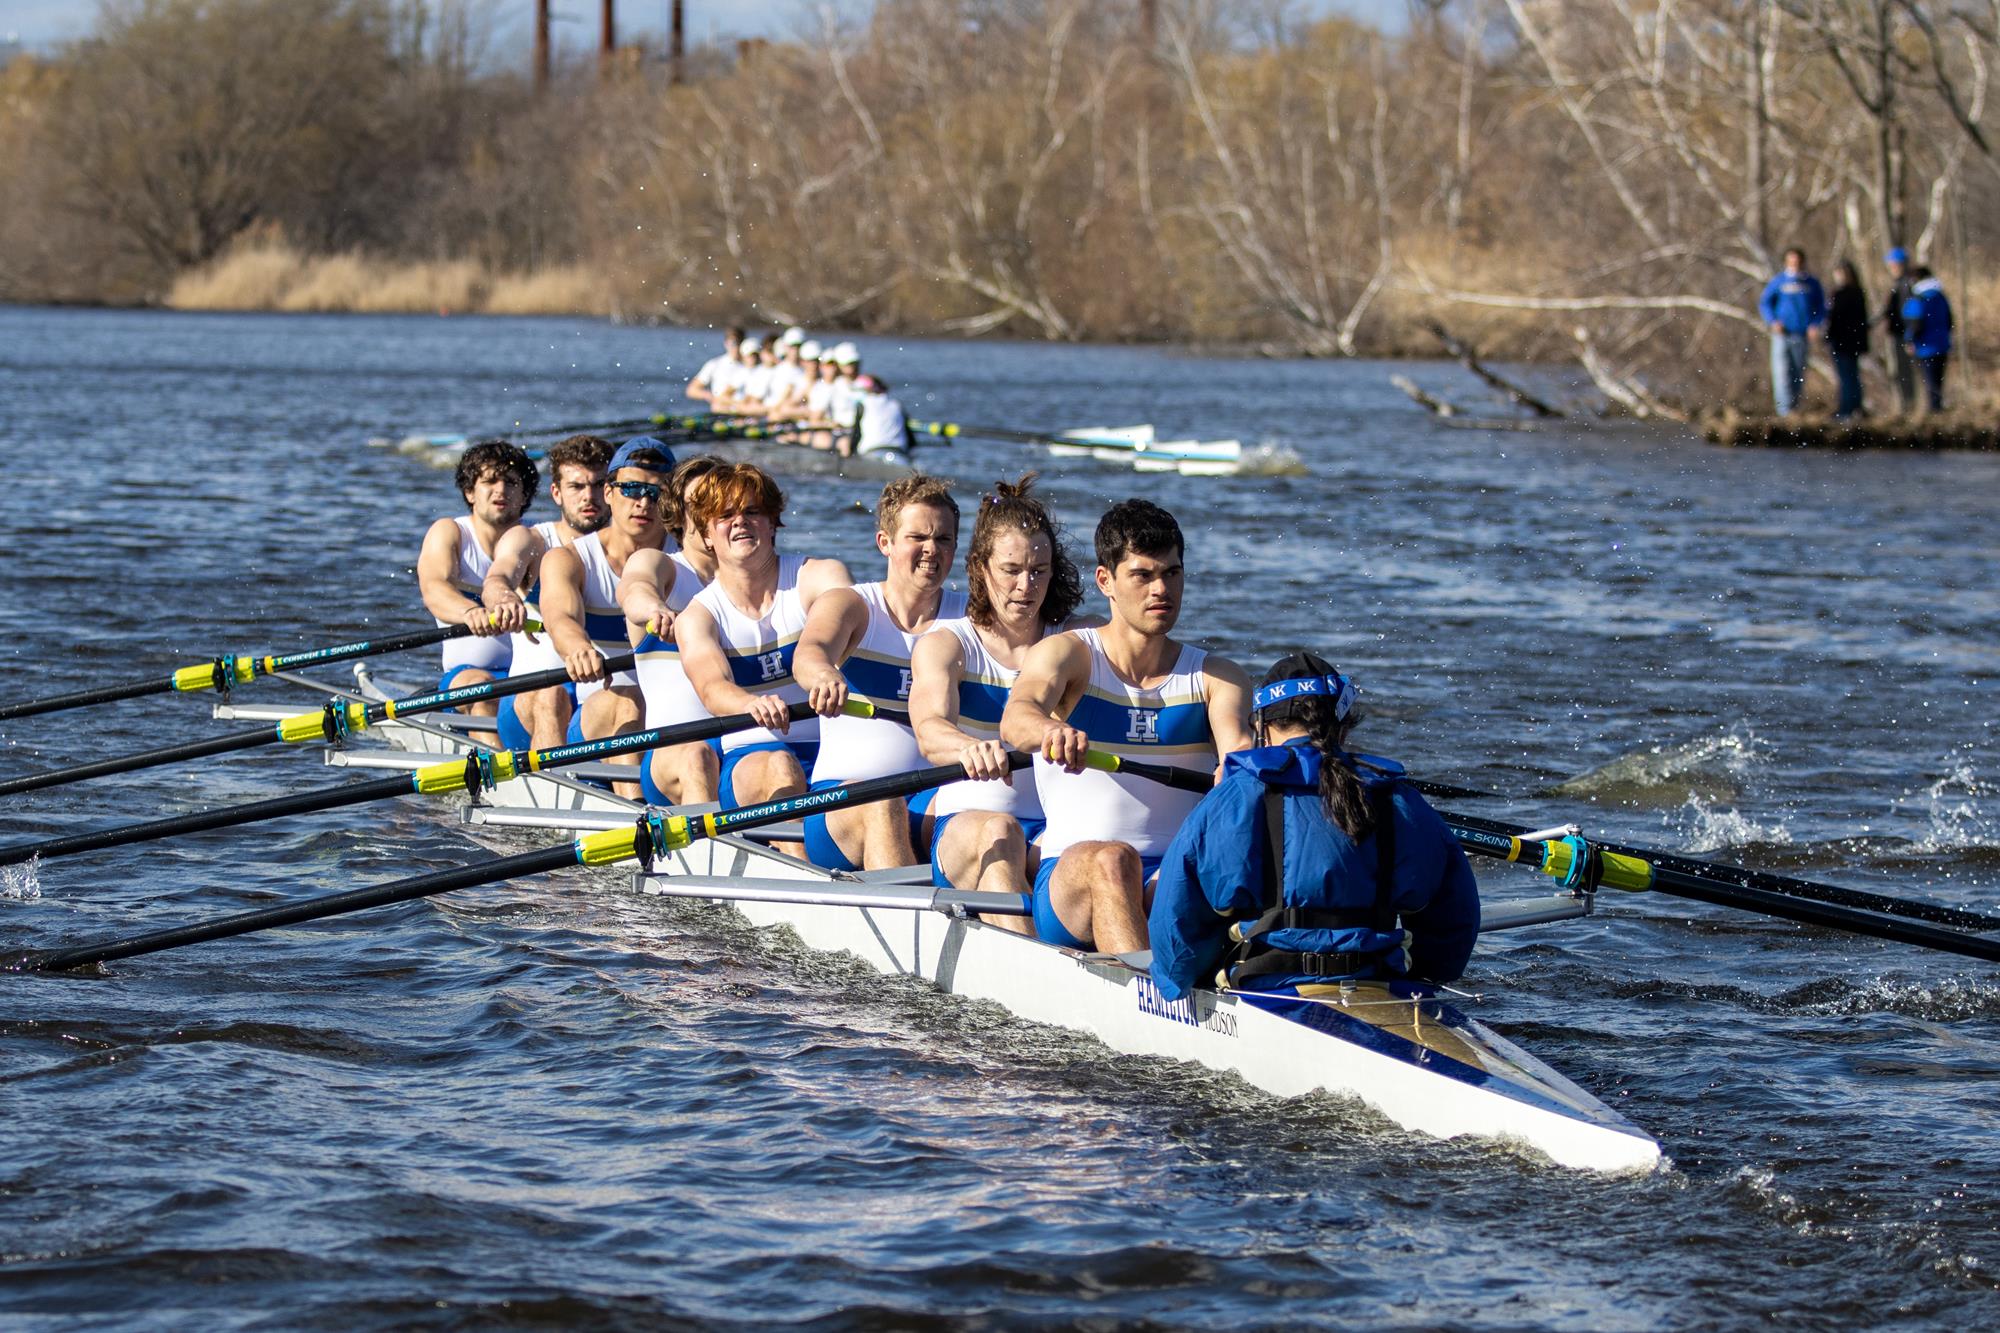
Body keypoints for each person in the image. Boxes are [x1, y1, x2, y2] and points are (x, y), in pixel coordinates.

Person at [1148, 654, 1481, 1002]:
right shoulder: (1398, 798)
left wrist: (1177, 984)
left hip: (1265, 990)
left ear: (1262, 727)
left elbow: (1176, 921)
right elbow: (1454, 921)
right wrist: (1426, 978)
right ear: (1344, 725)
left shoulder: (1231, 798)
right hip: (1381, 986)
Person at [1001, 500, 1253, 954]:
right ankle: (1149, 1001)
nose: (1161, 589)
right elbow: (1017, 719)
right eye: (1143, 575)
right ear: (1106, 582)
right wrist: (1048, 732)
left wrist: (1239, 771)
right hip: (1073, 878)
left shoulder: (1219, 677)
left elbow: (1239, 746)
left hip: (1170, 876)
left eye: (1172, 574)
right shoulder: (1068, 655)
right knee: (1114, 860)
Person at [911, 475, 1089, 932]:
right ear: (980, 567)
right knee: (1000, 831)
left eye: (1039, 571)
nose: (1025, 586)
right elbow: (930, 730)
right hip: (969, 825)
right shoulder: (948, 645)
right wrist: (967, 746)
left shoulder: (1078, 640)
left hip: (1051, 829)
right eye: (1011, 570)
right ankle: (1036, 971)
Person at [793, 477, 967, 871]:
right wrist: (822, 675)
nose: (931, 550)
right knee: (883, 805)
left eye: (944, 539)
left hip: (928, 800)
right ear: (885, 542)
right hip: (841, 802)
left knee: (989, 815)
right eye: (917, 537)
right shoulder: (853, 605)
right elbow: (810, 652)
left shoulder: (971, 617)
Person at [675, 463, 852, 821]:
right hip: (752, 752)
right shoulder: (698, 617)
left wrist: (820, 671)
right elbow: (712, 688)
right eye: (725, 515)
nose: (740, 521)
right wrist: (750, 703)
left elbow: (843, 617)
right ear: (707, 535)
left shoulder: (819, 577)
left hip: (834, 750)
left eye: (752, 511)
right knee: (781, 767)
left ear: (772, 523)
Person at [535, 438, 675, 795]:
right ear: (609, 493)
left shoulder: (691, 557)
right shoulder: (570, 559)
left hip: (675, 716)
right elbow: (560, 617)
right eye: (631, 489)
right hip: (596, 712)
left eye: (655, 492)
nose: (643, 502)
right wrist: (577, 648)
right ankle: (636, 813)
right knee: (627, 697)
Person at [480, 435, 616, 749]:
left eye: (598, 485)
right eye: (577, 487)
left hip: (599, 699)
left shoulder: (633, 552)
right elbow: (498, 576)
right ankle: (555, 786)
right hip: (534, 698)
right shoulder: (531, 540)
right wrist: (504, 599)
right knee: (553, 697)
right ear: (556, 492)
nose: (589, 497)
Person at [618, 455, 726, 807]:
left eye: (723, 502)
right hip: (676, 752)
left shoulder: (763, 586)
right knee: (698, 757)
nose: (714, 512)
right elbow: (636, 587)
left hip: (747, 748)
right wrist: (655, 609)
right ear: (679, 513)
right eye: (701, 503)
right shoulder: (662, 565)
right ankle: (707, 857)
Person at [415, 440, 536, 715]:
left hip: (531, 674)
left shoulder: (540, 539)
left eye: (511, 482)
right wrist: (471, 612)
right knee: (483, 691)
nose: (501, 490)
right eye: (490, 482)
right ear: (470, 491)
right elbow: (434, 589)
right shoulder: (451, 533)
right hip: (469, 676)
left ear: (525, 495)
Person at [1758, 248, 1826, 417]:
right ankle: (1784, 412)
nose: (1794, 265)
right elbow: (1765, 303)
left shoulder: (1811, 284)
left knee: (1797, 373)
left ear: (1803, 263)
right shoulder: (1778, 282)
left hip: (1801, 335)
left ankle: (1794, 410)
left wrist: (1815, 325)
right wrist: (1773, 321)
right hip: (1782, 335)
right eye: (1791, 261)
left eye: (1797, 261)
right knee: (1781, 373)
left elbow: (1821, 307)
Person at [1902, 265, 1954, 414]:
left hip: (1925, 347)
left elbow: (1915, 324)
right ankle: (1937, 409)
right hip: (1942, 344)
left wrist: (1909, 341)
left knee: (1929, 382)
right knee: (1938, 381)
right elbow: (1950, 320)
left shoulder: (1918, 298)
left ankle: (1933, 412)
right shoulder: (1941, 296)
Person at [1826, 260, 1870, 421]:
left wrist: (1829, 335)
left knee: (1846, 376)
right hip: (1852, 342)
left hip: (1843, 342)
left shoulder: (1842, 294)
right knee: (1852, 375)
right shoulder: (1858, 293)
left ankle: (1846, 409)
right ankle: (1855, 408)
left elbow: (1836, 319)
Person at [1877, 248, 1917, 414]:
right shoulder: (1899, 283)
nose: (1892, 267)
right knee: (1899, 371)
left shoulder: (1907, 284)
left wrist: (1910, 336)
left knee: (1905, 371)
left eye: (1894, 264)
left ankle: (1909, 406)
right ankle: (1904, 405)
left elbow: (1910, 312)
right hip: (1898, 333)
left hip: (1905, 334)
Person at [849, 375, 916, 461]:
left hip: (871, 452)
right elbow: (911, 440)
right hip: (898, 453)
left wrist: (850, 455)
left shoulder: (862, 404)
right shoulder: (897, 405)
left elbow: (856, 434)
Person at [685, 326, 745, 408]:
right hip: (722, 411)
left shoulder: (752, 366)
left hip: (744, 412)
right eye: (733, 343)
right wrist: (709, 396)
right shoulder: (715, 364)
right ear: (726, 343)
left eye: (740, 343)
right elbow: (691, 390)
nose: (737, 347)